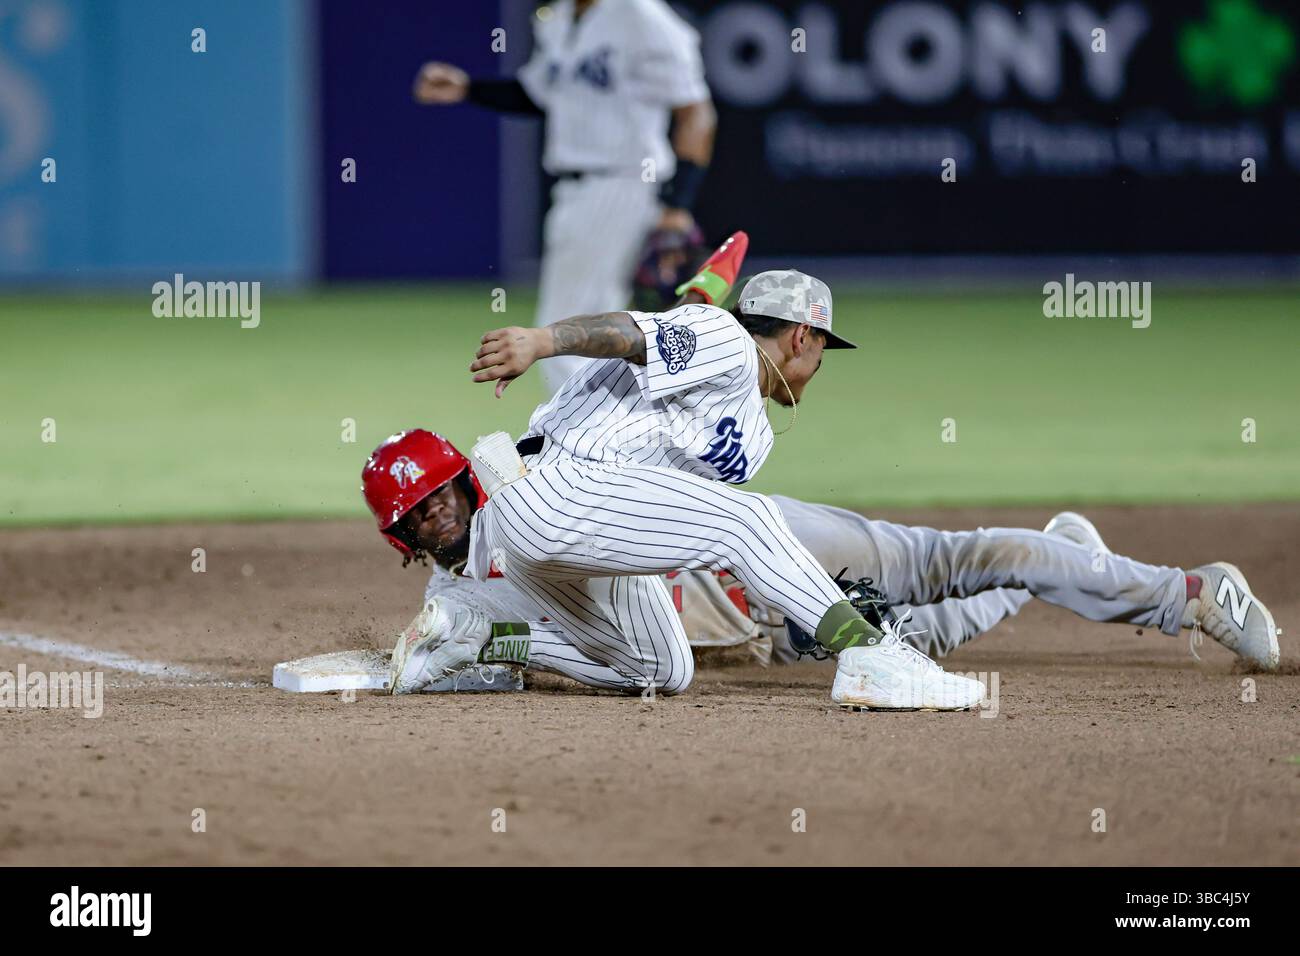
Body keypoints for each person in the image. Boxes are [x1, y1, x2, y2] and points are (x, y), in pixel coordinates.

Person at [413, 0, 717, 393]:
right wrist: (469, 89)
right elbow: (538, 93)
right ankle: (615, 440)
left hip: (623, 183)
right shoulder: (557, 19)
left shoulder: (642, 17)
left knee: (566, 332)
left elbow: (696, 111)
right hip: (576, 192)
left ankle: (582, 446)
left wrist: (679, 205)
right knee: (597, 329)